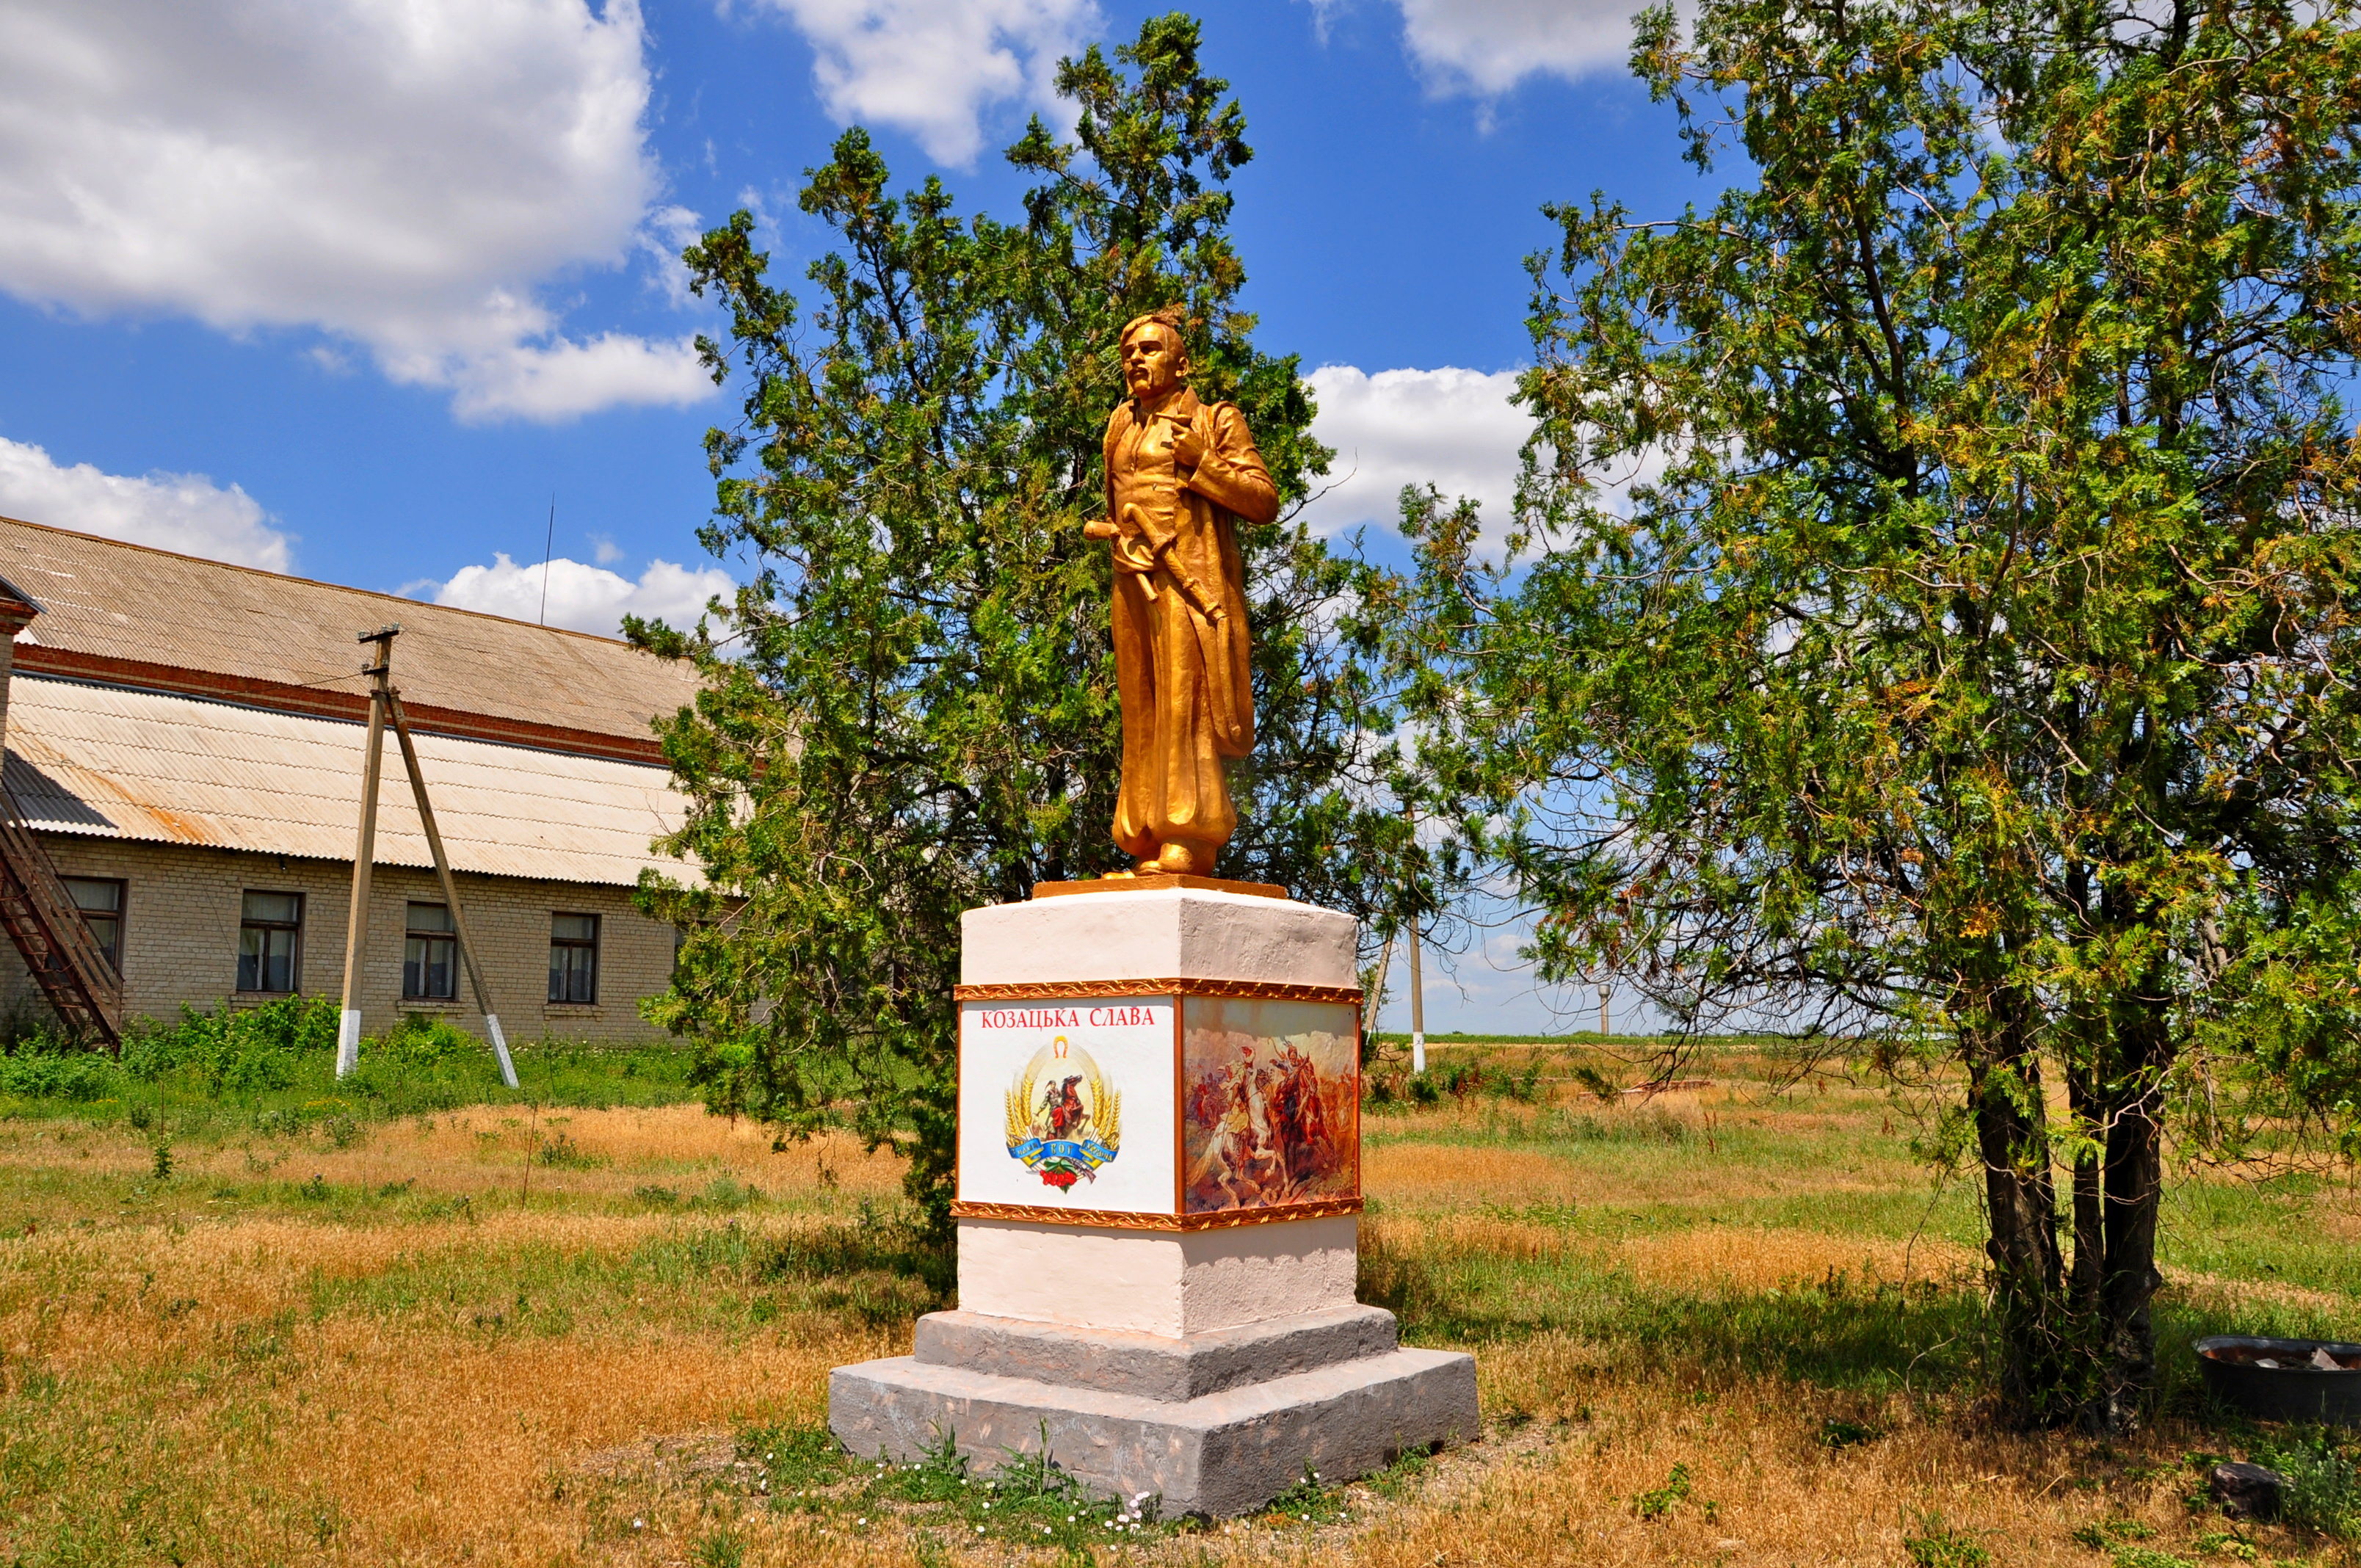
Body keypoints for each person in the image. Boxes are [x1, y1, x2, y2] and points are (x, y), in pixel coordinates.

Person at [1088, 305, 1278, 875]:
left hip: (1192, 584)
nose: (1136, 360)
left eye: (1148, 350)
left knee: (1186, 706)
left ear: (1182, 361)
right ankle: (1144, 832)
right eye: (1129, 353)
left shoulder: (1215, 420)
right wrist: (1121, 543)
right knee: (1142, 710)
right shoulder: (1120, 425)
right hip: (1134, 581)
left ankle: (1190, 836)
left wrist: (1203, 463)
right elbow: (1118, 506)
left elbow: (1263, 501)